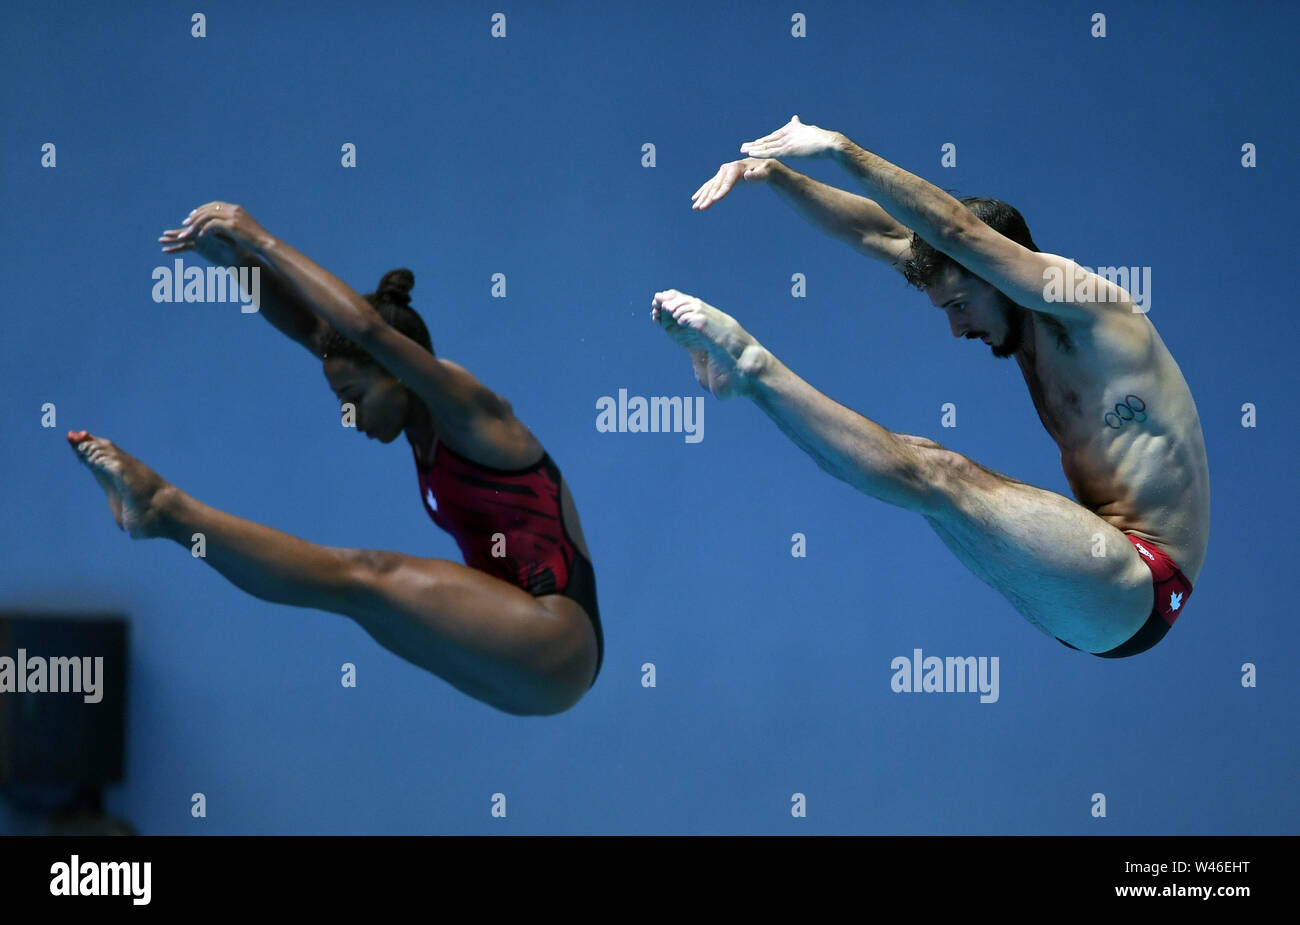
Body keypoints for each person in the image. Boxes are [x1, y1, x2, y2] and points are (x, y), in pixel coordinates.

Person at [661, 116, 1208, 657]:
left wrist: (840, 148)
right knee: (920, 457)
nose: (956, 328)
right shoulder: (1004, 304)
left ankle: (753, 369)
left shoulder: (1092, 308)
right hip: (1090, 572)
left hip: (1145, 581)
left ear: (998, 274)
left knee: (940, 475)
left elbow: (957, 231)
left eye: (960, 306)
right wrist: (779, 177)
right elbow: (878, 231)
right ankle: (749, 380)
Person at [68, 202, 602, 715]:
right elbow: (313, 330)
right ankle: (164, 515)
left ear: (400, 373)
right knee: (357, 597)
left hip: (556, 641)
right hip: (516, 670)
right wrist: (239, 265)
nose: (351, 418)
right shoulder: (408, 412)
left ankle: (163, 509)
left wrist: (261, 238)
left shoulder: (467, 409)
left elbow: (368, 332)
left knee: (365, 573)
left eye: (355, 400)